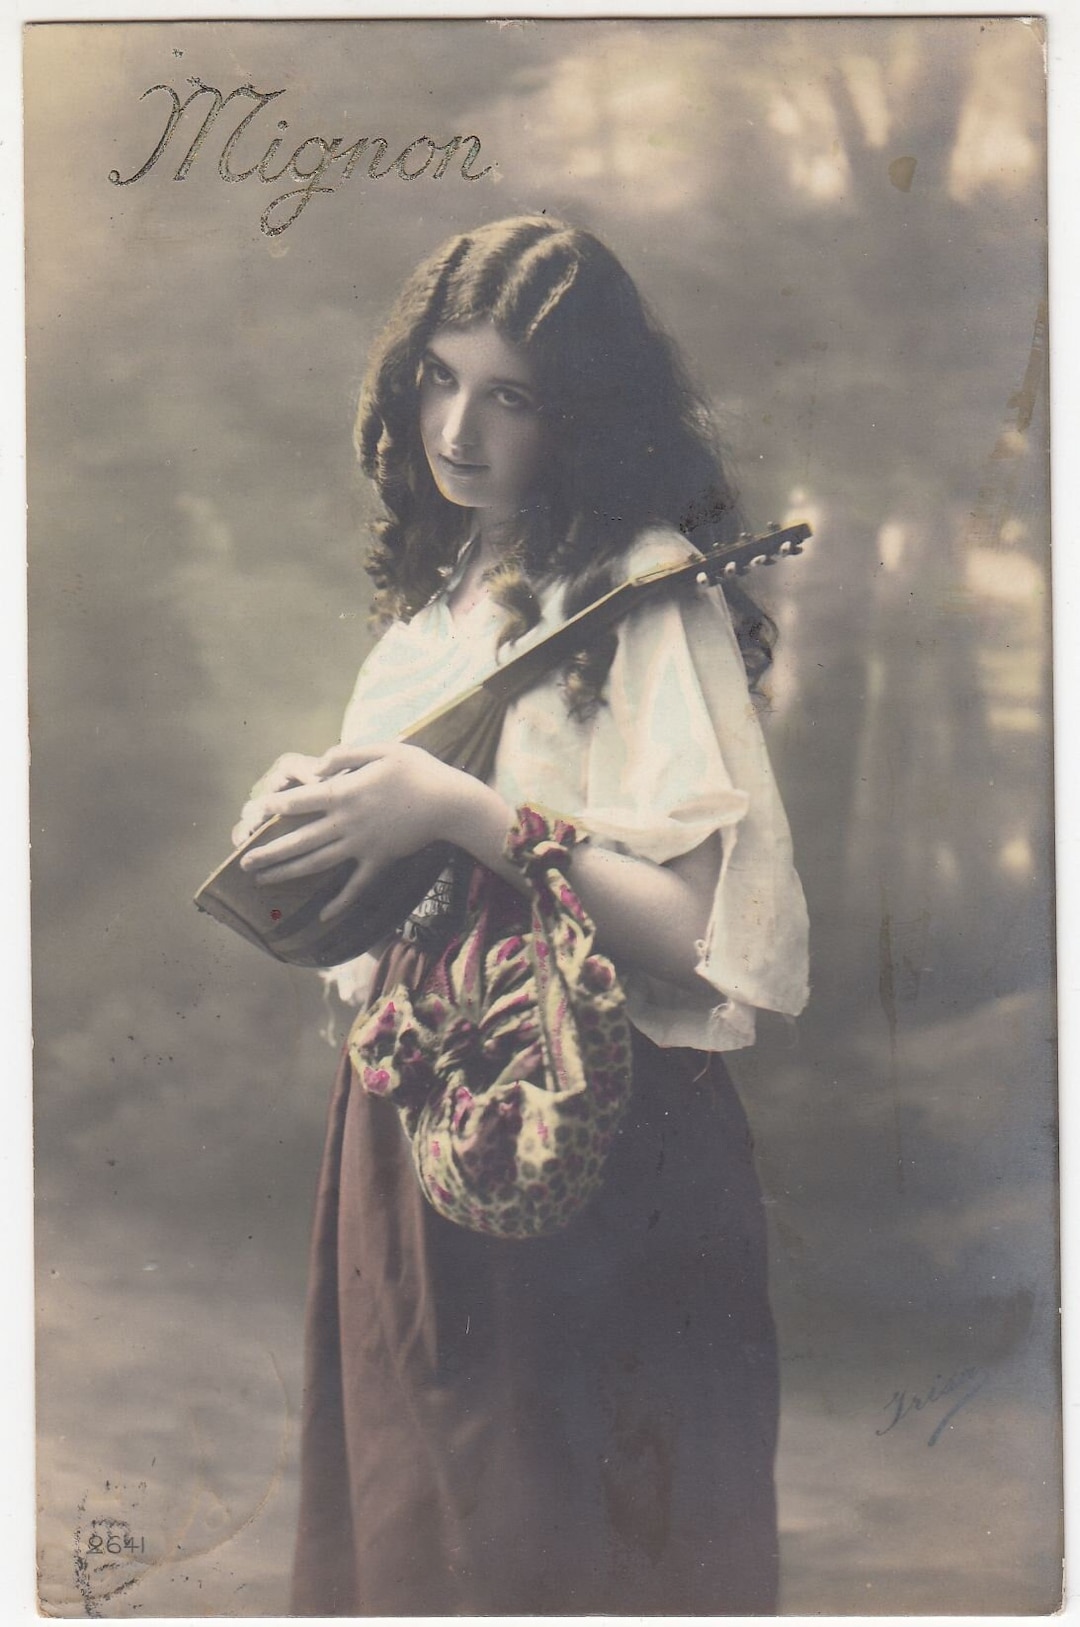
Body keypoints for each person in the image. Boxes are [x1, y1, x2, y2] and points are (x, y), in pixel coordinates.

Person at [232, 216, 809, 1615]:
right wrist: (306, 817)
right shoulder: (435, 605)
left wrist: (452, 807)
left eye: (510, 396)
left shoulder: (642, 591)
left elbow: (698, 938)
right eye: (438, 380)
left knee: (567, 1556)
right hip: (412, 1144)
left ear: (583, 414)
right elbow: (386, 921)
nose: (458, 430)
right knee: (417, 1547)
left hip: (599, 1150)